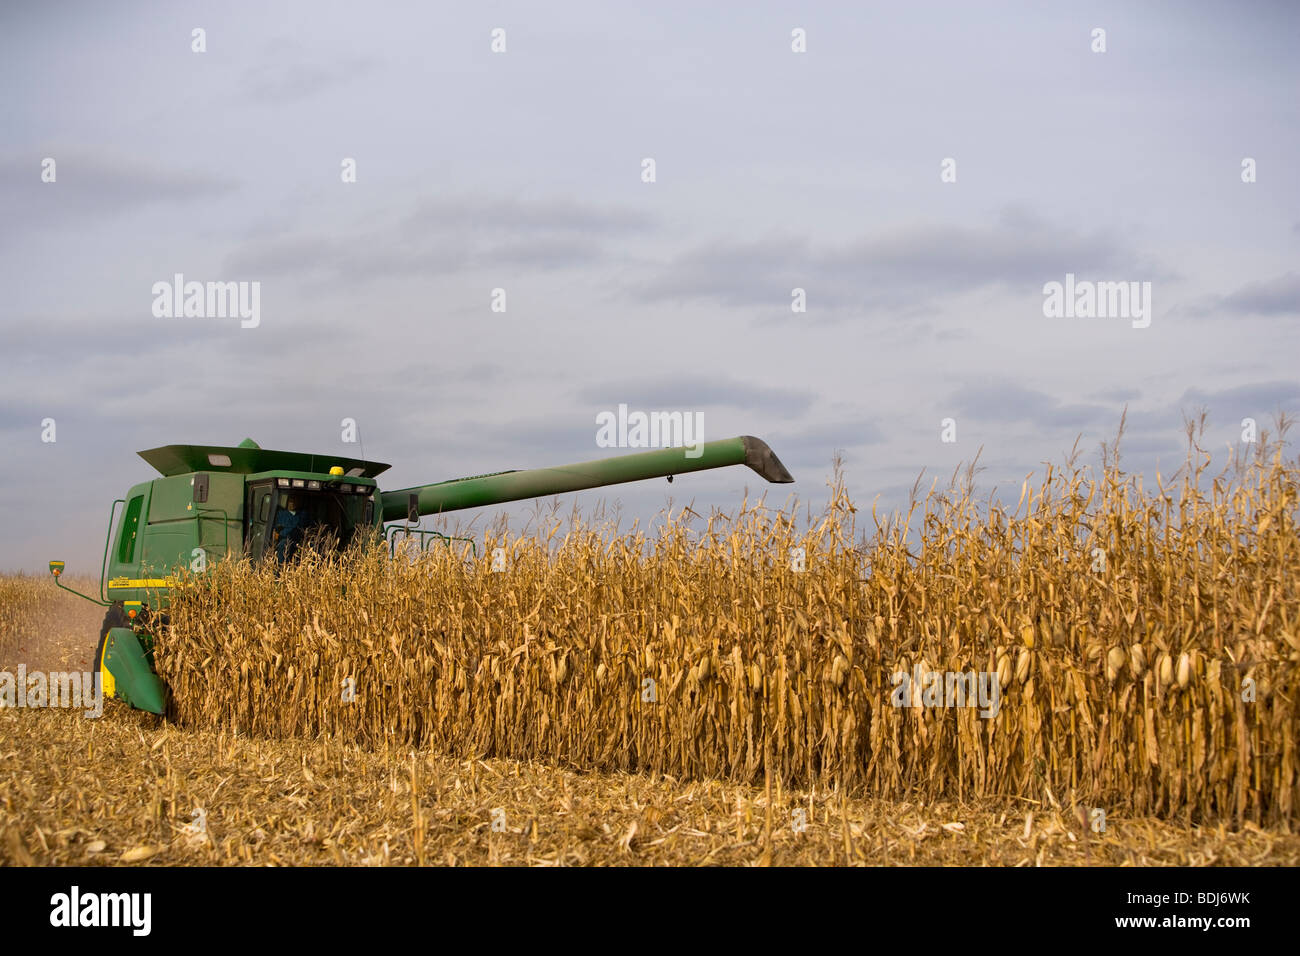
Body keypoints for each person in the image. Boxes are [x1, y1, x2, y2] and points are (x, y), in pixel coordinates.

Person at [273, 494, 306, 561]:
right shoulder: (281, 514)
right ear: (287, 503)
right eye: (291, 502)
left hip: (299, 540)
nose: (292, 504)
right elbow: (278, 529)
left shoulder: (302, 515)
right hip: (285, 539)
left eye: (295, 502)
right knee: (283, 546)